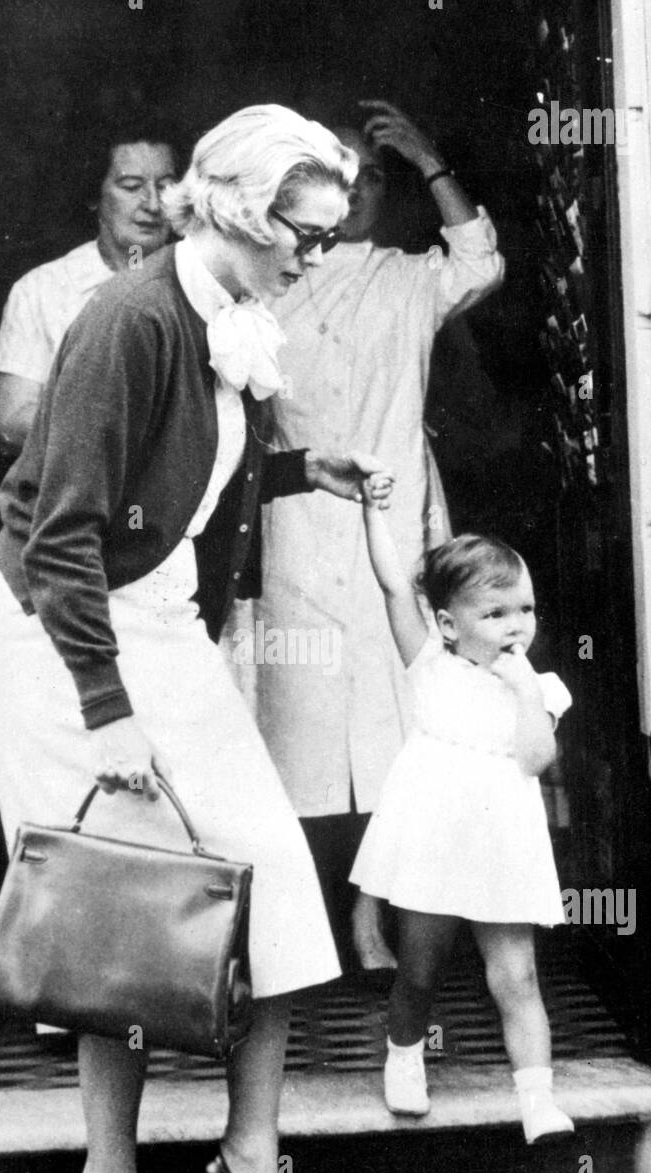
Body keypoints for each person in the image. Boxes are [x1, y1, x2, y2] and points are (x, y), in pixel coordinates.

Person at [0, 104, 393, 1173]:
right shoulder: (131, 318)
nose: (313, 257)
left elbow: (177, 467)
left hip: (159, 622)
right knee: (129, 906)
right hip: (67, 634)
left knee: (266, 882)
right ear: (238, 213)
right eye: (301, 235)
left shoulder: (230, 312)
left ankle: (247, 1153)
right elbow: (60, 533)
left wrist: (301, 467)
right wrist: (106, 711)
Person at [252, 99, 505, 972]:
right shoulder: (267, 281)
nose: (354, 194)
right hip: (288, 528)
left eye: (371, 177)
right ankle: (296, 932)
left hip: (393, 526)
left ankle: (369, 918)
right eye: (336, 177)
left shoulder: (408, 276)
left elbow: (478, 256)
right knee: (297, 733)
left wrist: (432, 158)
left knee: (402, 732)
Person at [350, 500, 576, 1144]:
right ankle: (403, 1054)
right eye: (496, 613)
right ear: (449, 624)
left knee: (516, 975)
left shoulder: (541, 688)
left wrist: (527, 691)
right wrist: (371, 510)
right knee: (420, 967)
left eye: (525, 610)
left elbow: (534, 759)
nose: (516, 626)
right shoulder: (430, 665)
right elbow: (397, 584)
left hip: (502, 842)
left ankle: (537, 1098)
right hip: (434, 838)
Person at [0, 119, 180, 456]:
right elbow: (10, 422)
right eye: (132, 186)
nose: (153, 204)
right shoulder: (41, 291)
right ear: (94, 195)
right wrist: (120, 429)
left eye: (165, 186)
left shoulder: (197, 284)